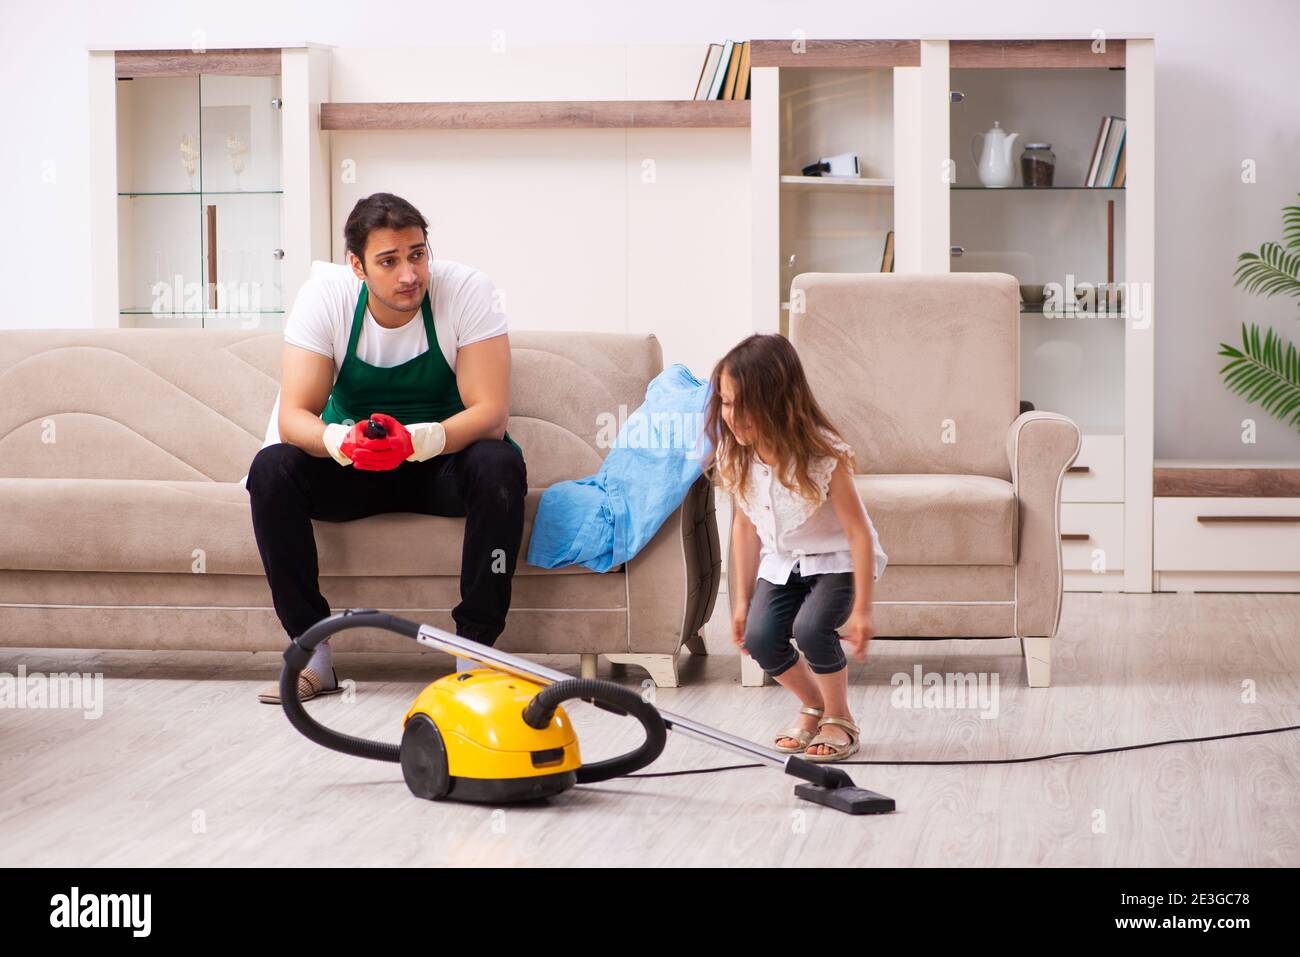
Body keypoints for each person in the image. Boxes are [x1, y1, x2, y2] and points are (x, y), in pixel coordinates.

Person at [245, 192, 527, 703]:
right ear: (356, 265)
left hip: (439, 469)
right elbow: (294, 419)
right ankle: (313, 656)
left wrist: (424, 438)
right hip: (351, 469)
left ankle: (473, 656)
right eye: (389, 261)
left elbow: (490, 413)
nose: (408, 275)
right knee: (272, 469)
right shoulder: (325, 300)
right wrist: (340, 440)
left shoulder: (466, 292)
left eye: (417, 254)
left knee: (499, 462)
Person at [702, 334, 887, 761]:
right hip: (782, 562)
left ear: (779, 401)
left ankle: (841, 718)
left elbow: (859, 533)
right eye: (725, 403)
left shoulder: (823, 455)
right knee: (761, 638)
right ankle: (813, 705)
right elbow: (745, 530)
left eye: (743, 405)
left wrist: (863, 611)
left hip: (837, 560)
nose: (732, 416)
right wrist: (741, 601)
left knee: (810, 628)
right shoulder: (737, 456)